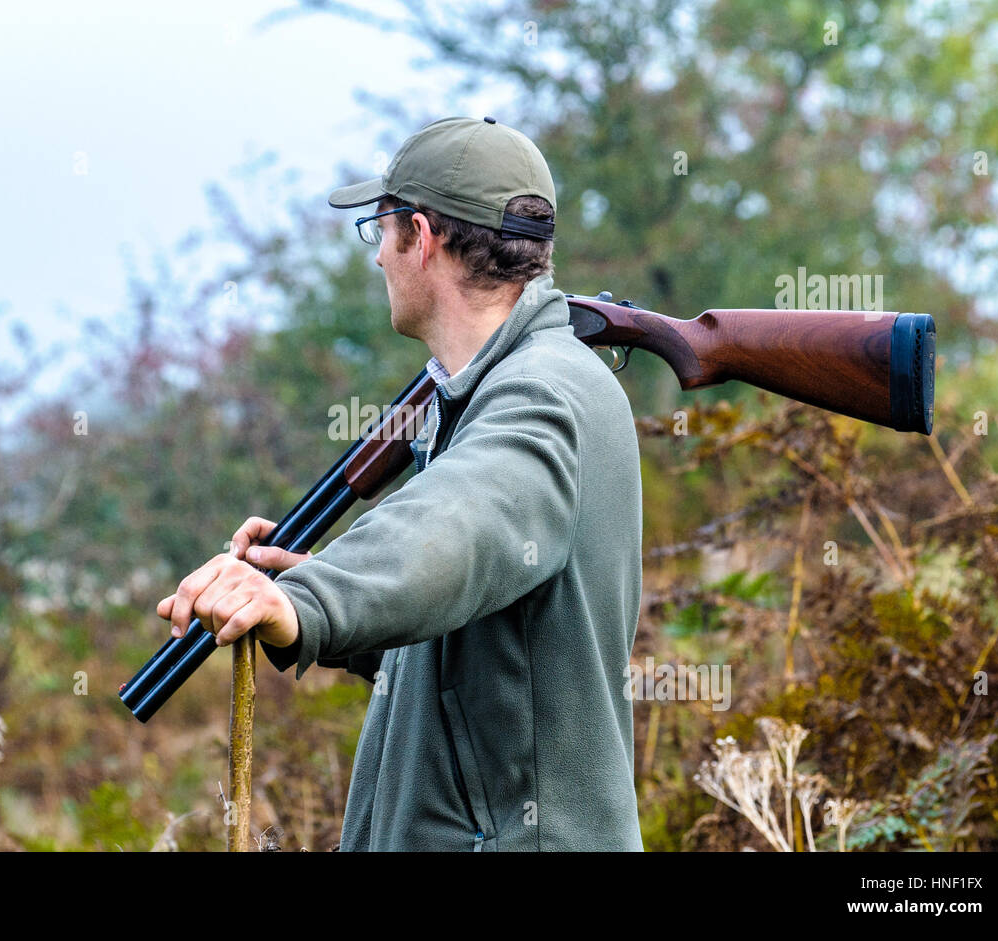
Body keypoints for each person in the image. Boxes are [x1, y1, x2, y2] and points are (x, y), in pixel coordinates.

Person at [156, 116, 644, 851]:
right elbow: (486, 638)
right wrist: (316, 582)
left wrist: (306, 598)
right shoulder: (492, 392)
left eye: (380, 232)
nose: (378, 256)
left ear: (421, 236)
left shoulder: (541, 394)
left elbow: (454, 528)